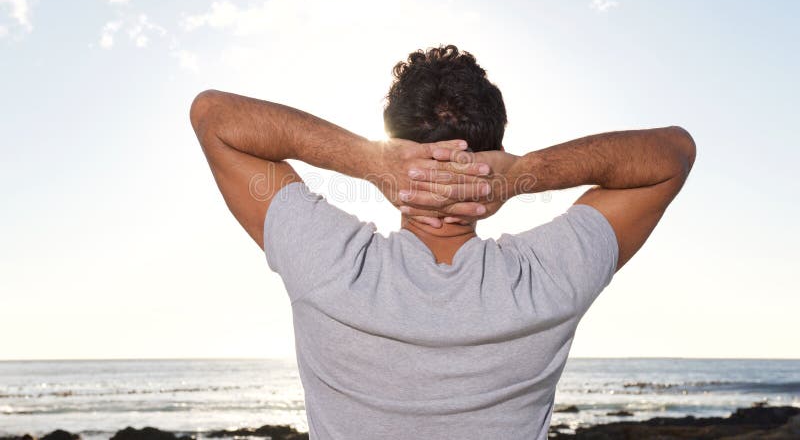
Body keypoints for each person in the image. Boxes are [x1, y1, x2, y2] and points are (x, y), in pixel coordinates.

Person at [189, 44, 696, 439]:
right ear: (494, 147)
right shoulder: (548, 279)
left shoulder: (327, 263)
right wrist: (522, 174)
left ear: (396, 145)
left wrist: (368, 161)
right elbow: (673, 153)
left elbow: (214, 116)